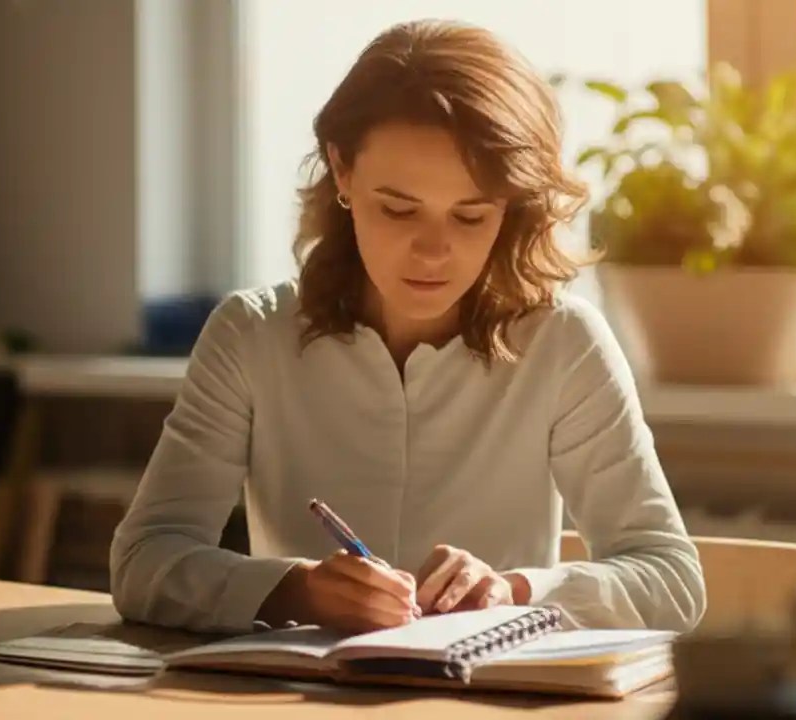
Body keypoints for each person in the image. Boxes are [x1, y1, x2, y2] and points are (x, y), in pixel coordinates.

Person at [109, 19, 705, 636]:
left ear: (510, 207)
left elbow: (670, 580)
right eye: (398, 209)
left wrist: (515, 591)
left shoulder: (564, 344)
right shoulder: (250, 335)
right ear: (342, 170)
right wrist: (297, 591)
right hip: (301, 687)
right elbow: (144, 560)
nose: (432, 252)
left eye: (470, 217)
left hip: (490, 685)